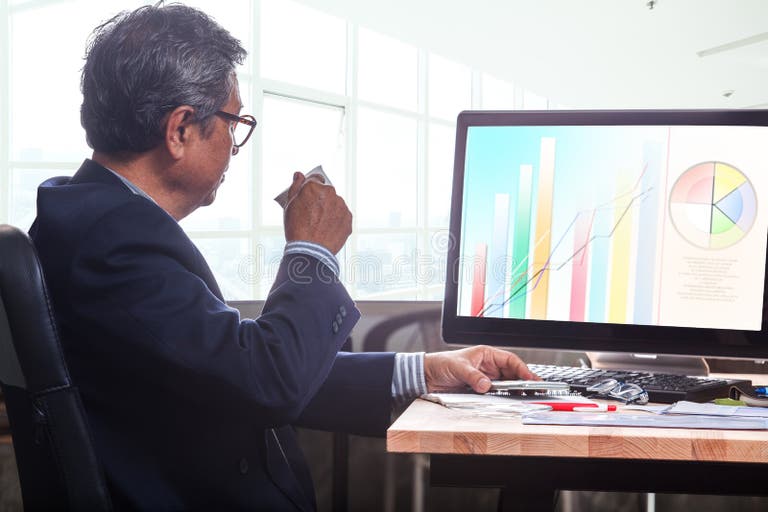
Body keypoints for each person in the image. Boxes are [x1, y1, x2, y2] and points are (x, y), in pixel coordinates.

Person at [29, 3, 536, 510]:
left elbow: (234, 372)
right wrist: (311, 251)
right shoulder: (112, 245)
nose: (234, 145)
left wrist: (423, 371)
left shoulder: (89, 222)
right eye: (233, 123)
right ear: (180, 129)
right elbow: (266, 383)